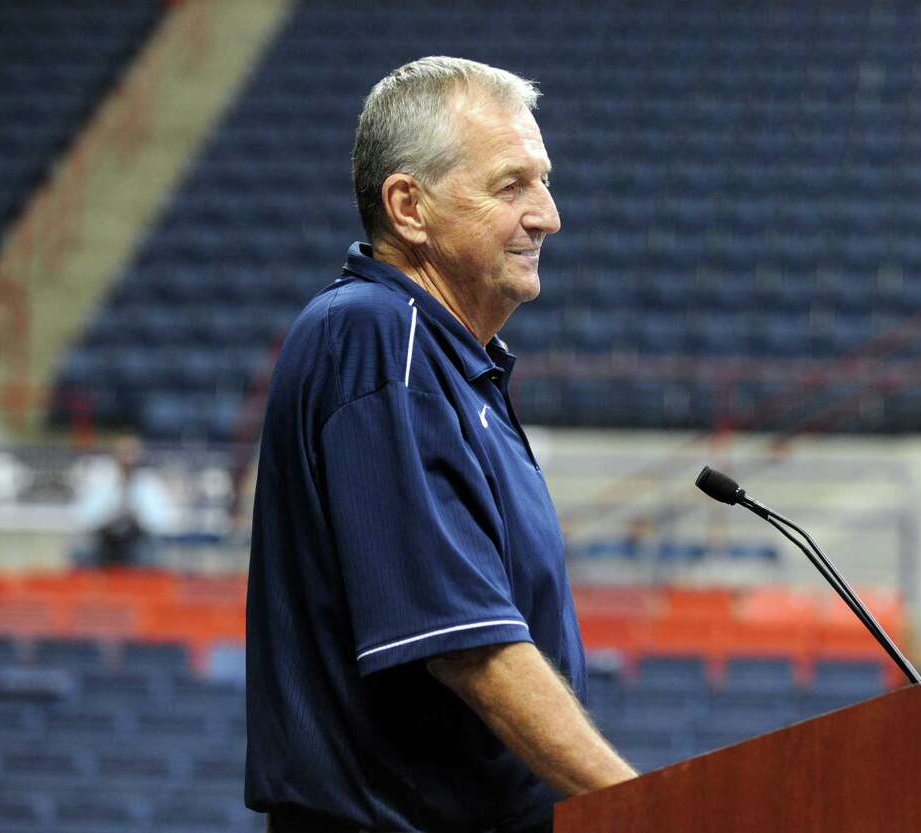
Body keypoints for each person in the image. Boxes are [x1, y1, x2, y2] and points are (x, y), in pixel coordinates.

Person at [245, 57, 636, 833]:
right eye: (510, 185)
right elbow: (472, 648)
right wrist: (654, 810)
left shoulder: (442, 358)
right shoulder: (382, 338)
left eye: (545, 181)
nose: (548, 215)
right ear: (409, 207)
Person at [73, 435, 176, 567]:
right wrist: (110, 511)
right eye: (124, 453)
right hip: (103, 538)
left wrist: (137, 512)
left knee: (149, 552)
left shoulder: (148, 482)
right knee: (83, 549)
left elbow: (162, 522)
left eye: (132, 454)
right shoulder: (99, 478)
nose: (128, 459)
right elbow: (84, 517)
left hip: (137, 539)